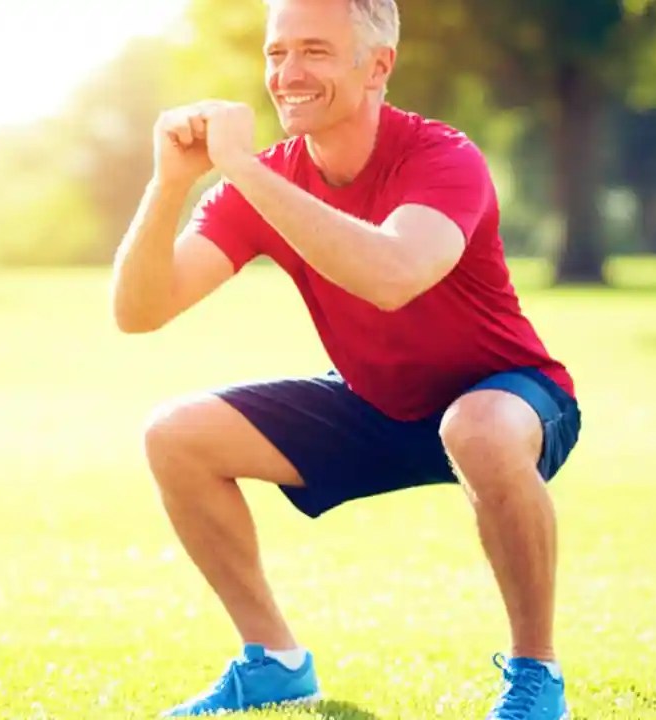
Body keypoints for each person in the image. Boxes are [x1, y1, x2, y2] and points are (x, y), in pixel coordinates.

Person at [109, 0, 580, 717]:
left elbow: (392, 275)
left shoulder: (442, 157)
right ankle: (274, 664)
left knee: (475, 427)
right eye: (276, 54)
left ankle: (536, 679)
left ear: (378, 66)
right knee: (176, 434)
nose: (287, 74)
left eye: (315, 52)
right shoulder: (260, 181)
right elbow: (140, 312)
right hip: (376, 402)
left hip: (507, 395)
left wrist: (240, 168)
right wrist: (170, 183)